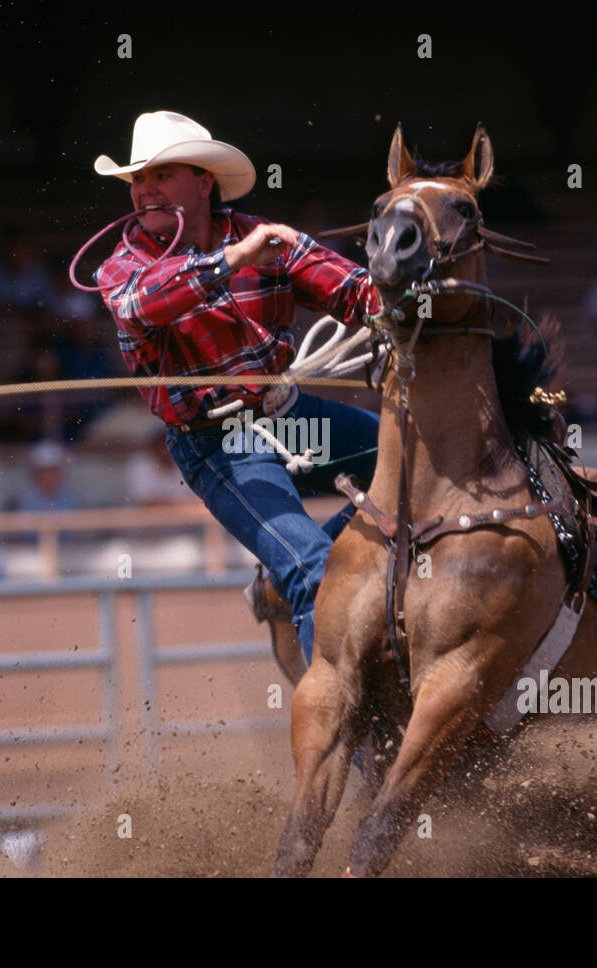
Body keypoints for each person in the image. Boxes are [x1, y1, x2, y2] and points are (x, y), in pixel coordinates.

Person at [91, 110, 381, 667]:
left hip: (289, 416)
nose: (145, 189)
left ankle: (309, 560)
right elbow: (142, 306)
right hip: (216, 442)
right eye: (138, 179)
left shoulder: (262, 237)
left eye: (162, 175)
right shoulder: (123, 267)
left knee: (417, 467)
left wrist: (413, 300)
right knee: (313, 572)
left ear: (204, 183)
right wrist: (237, 259)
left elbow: (356, 292)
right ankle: (349, 733)